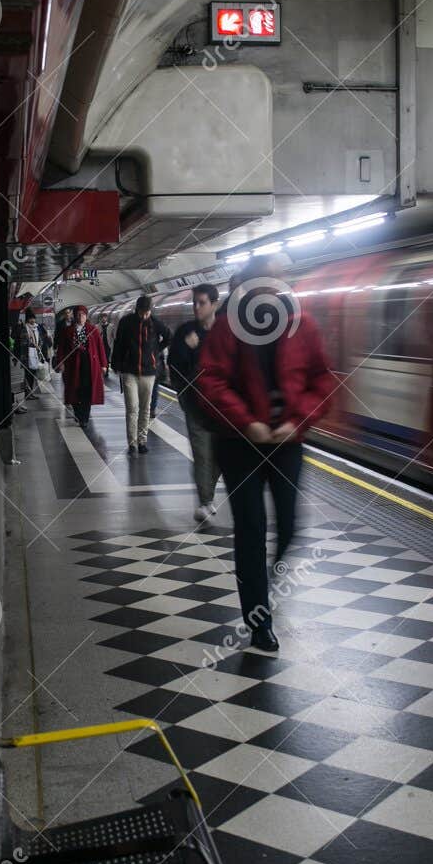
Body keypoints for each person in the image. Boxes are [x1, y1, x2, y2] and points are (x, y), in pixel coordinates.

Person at [196, 275, 338, 652]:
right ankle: (259, 620)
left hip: (288, 441)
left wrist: (297, 421)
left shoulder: (302, 325)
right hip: (239, 444)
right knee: (251, 529)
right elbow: (211, 382)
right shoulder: (228, 329)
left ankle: (266, 579)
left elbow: (322, 379)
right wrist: (248, 422)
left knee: (290, 525)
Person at [167, 283, 224, 523]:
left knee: (221, 455)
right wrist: (187, 349)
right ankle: (204, 501)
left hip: (223, 407)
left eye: (202, 303)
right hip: (195, 404)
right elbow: (174, 364)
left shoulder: (226, 331)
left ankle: (207, 493)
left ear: (214, 304)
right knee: (202, 453)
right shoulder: (185, 332)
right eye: (195, 303)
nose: (196, 308)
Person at [111, 294, 170, 455]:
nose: (145, 315)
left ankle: (142, 441)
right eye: (143, 312)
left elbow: (168, 336)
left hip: (149, 372)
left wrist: (155, 351)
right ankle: (132, 443)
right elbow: (119, 344)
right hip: (130, 371)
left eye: (148, 312)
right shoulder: (126, 322)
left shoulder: (155, 323)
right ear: (137, 309)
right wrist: (116, 363)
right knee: (132, 409)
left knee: (145, 409)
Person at [54, 303, 107, 427]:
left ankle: (85, 418)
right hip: (73, 365)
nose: (80, 317)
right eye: (78, 314)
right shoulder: (68, 331)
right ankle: (78, 414)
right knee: (74, 389)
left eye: (83, 315)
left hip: (89, 365)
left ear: (86, 316)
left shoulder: (92, 329)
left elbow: (100, 348)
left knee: (87, 390)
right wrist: (60, 362)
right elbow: (61, 348)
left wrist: (104, 364)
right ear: (74, 316)